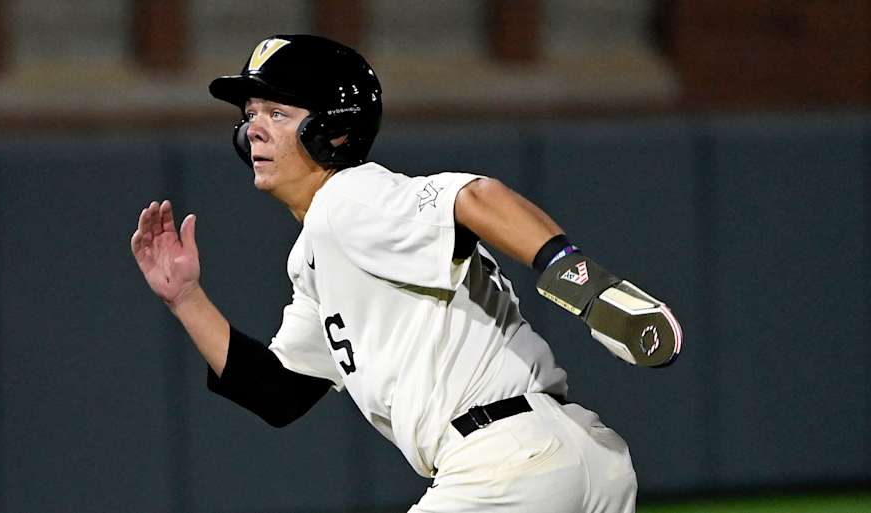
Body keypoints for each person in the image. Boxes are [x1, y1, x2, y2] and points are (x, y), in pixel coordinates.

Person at [131, 34, 680, 513]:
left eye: (278, 113)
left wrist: (583, 283)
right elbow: (279, 392)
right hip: (578, 457)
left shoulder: (348, 199)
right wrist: (186, 297)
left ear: (336, 131)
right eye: (250, 114)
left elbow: (475, 196)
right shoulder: (323, 250)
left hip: (507, 466)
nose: (253, 130)